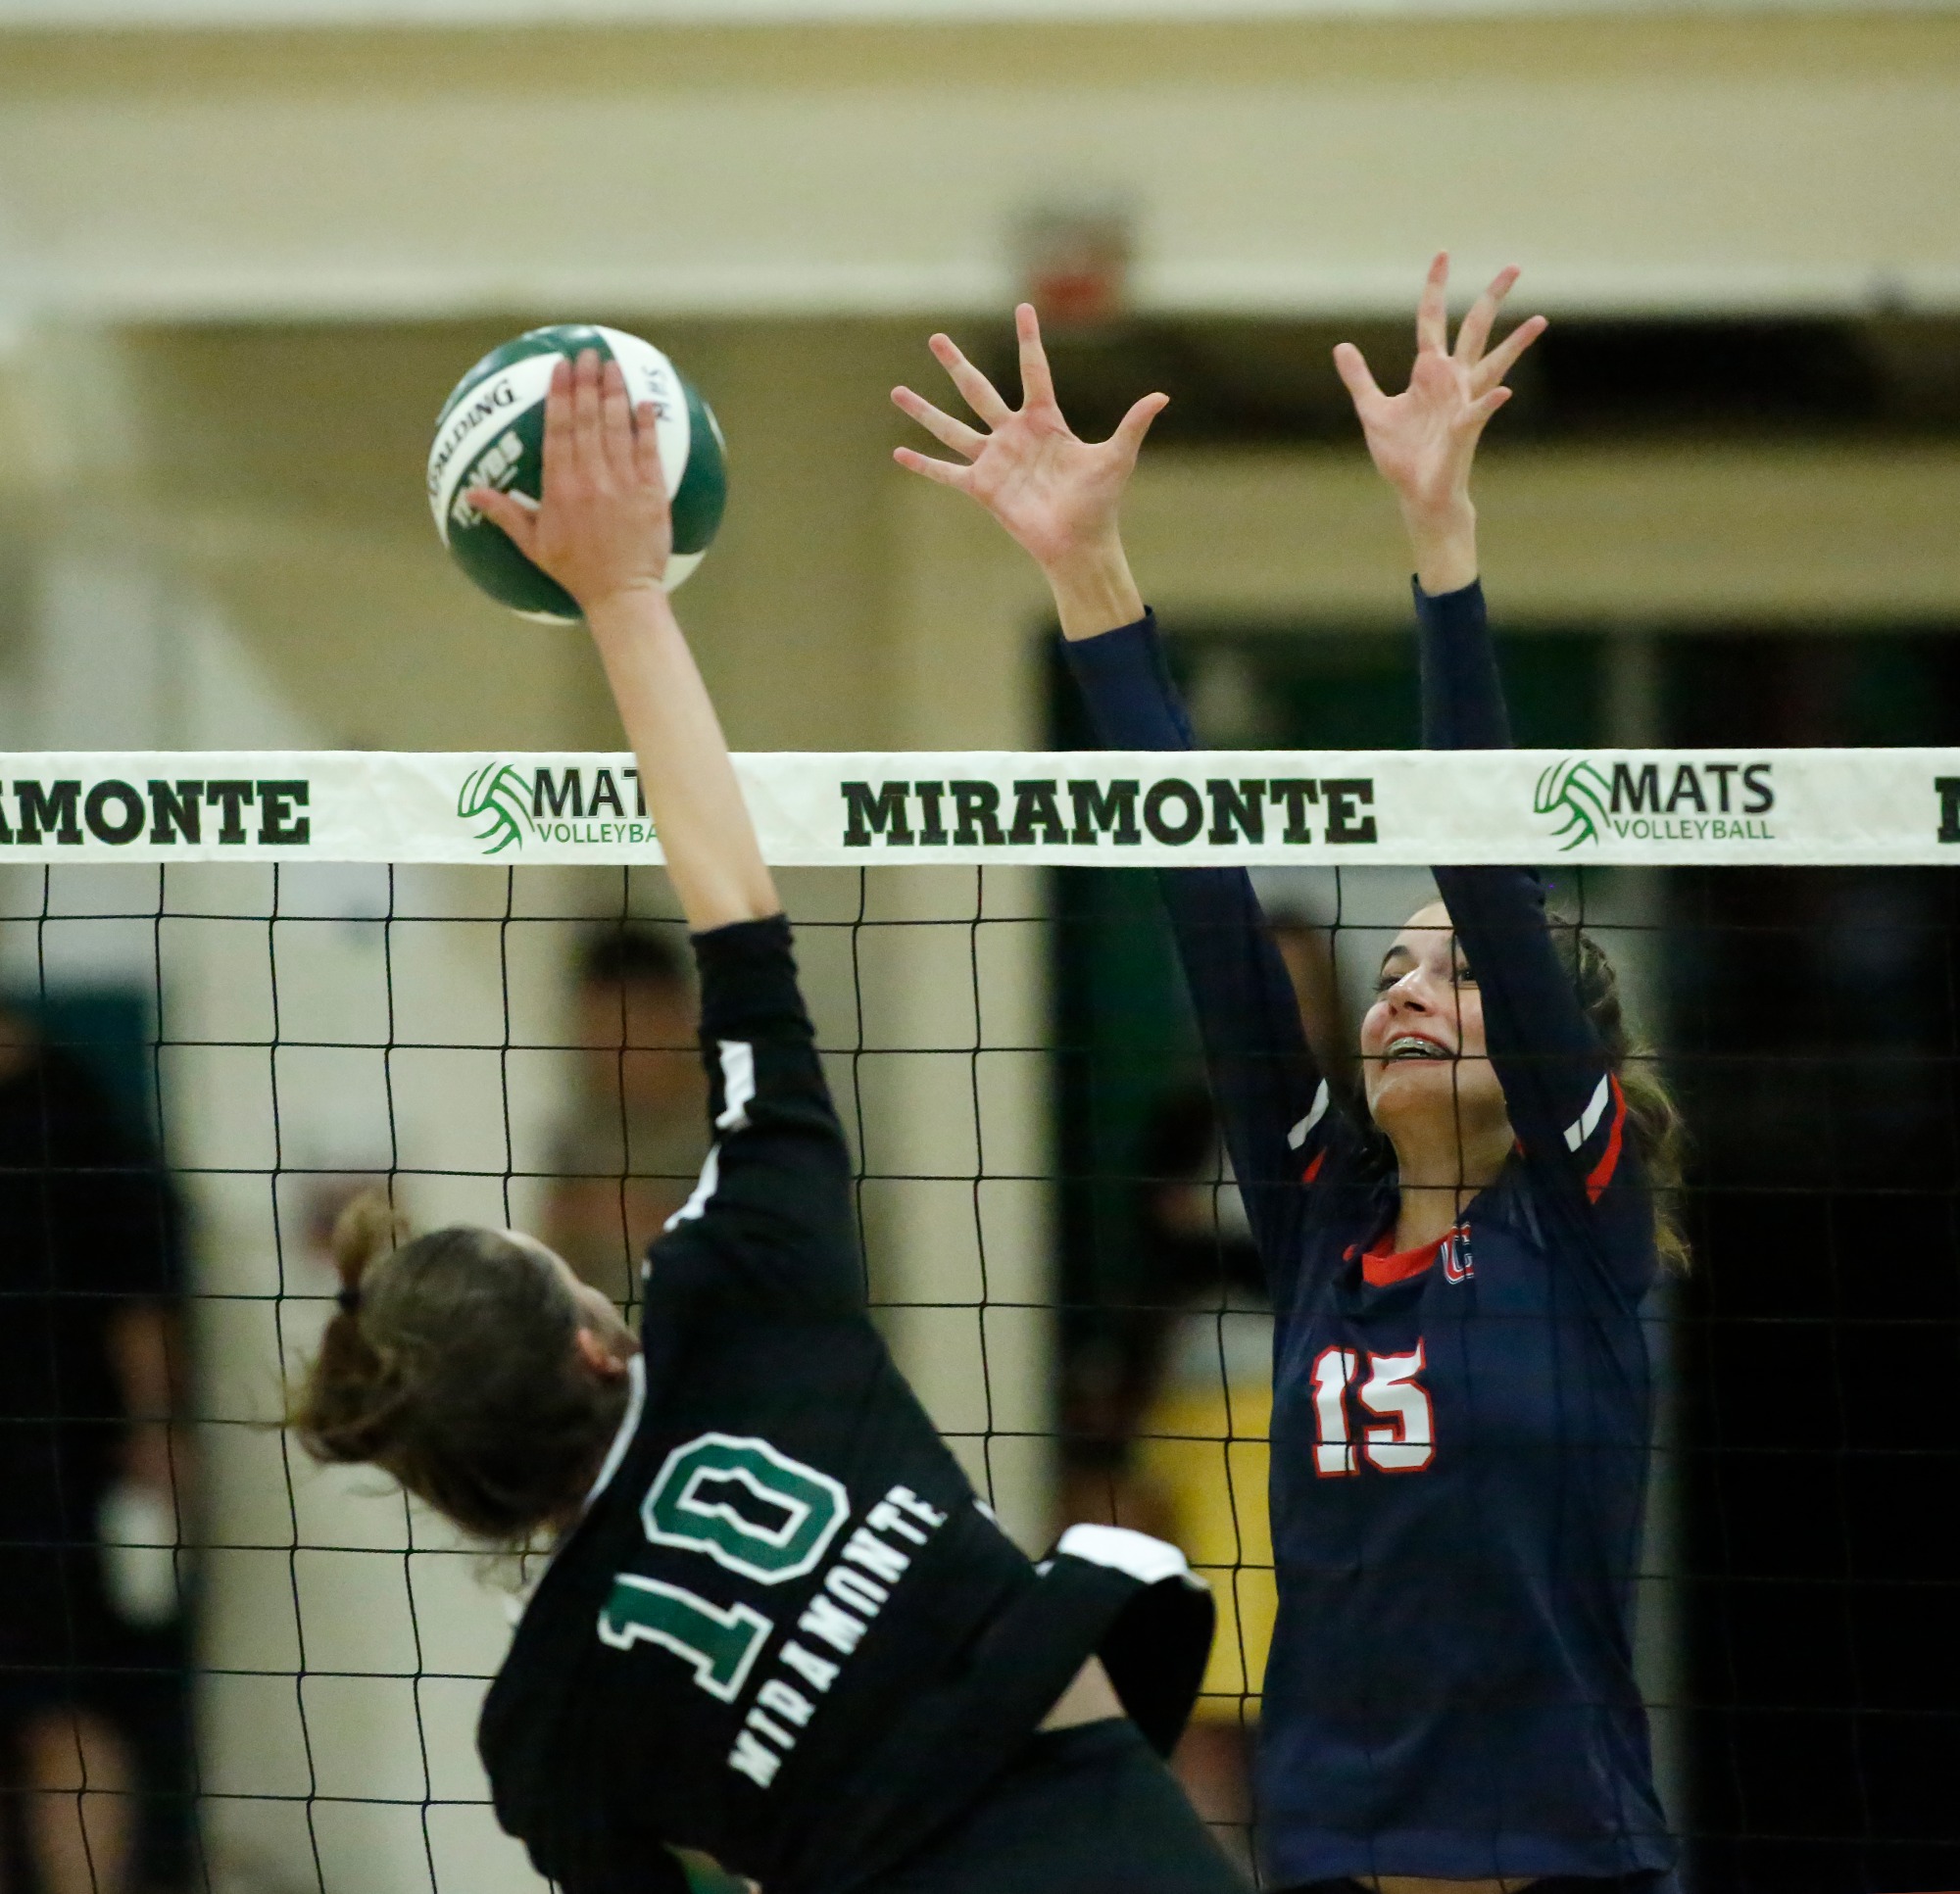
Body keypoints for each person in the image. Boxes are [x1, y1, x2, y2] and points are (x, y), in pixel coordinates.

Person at [288, 349, 1245, 1894]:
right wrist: (624, 595)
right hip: (1101, 1846)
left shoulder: (542, 1738)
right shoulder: (743, 1296)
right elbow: (739, 923)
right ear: (599, 1342)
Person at [892, 257, 1684, 1891]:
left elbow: (1484, 860)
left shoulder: (1579, 1222)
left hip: (1560, 1854)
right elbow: (1204, 901)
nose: (1406, 991)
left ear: (1562, 1049)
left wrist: (1438, 533)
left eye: (1455, 972)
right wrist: (1088, 569)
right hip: (1334, 1851)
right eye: (1389, 975)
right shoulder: (1325, 1215)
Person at [0, 1004, 193, 1894]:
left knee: (66, 1713)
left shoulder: (67, 1106)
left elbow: (136, 1298)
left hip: (51, 1474)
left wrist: (156, 1431)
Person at [543, 923, 708, 1308]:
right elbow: (551, 1276)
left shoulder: (745, 1125)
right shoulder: (581, 1136)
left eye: (626, 1030)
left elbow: (784, 1268)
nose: (607, 1054)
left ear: (677, 1020)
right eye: (596, 1031)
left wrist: (644, 1221)